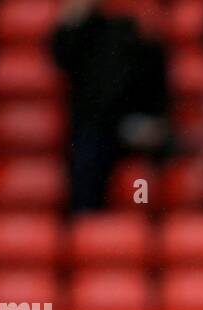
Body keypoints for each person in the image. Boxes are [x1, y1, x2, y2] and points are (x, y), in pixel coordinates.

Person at [51, 0, 169, 212]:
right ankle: (87, 230)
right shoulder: (87, 28)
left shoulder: (144, 32)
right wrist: (72, 19)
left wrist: (155, 120)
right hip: (95, 127)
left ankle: (159, 232)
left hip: (139, 122)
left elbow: (157, 80)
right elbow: (62, 57)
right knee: (87, 159)